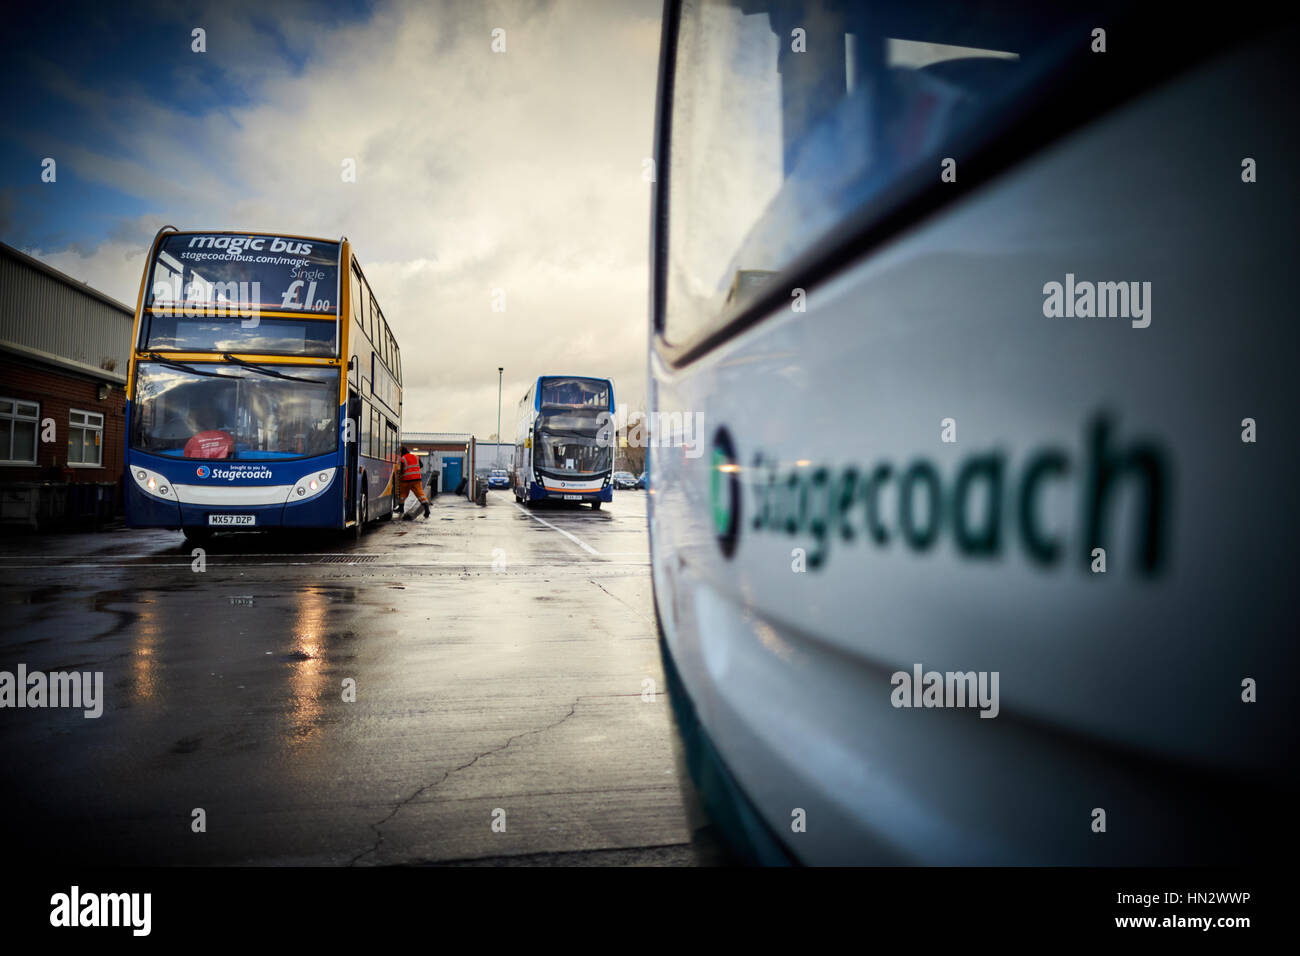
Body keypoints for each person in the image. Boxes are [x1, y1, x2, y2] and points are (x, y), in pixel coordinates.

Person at [396, 445, 431, 519]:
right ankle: (427, 510)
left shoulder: (402, 459)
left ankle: (401, 509)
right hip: (416, 479)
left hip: (406, 480)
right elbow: (421, 465)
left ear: (401, 452)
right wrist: (414, 470)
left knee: (402, 494)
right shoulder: (416, 457)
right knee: (421, 494)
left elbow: (401, 470)